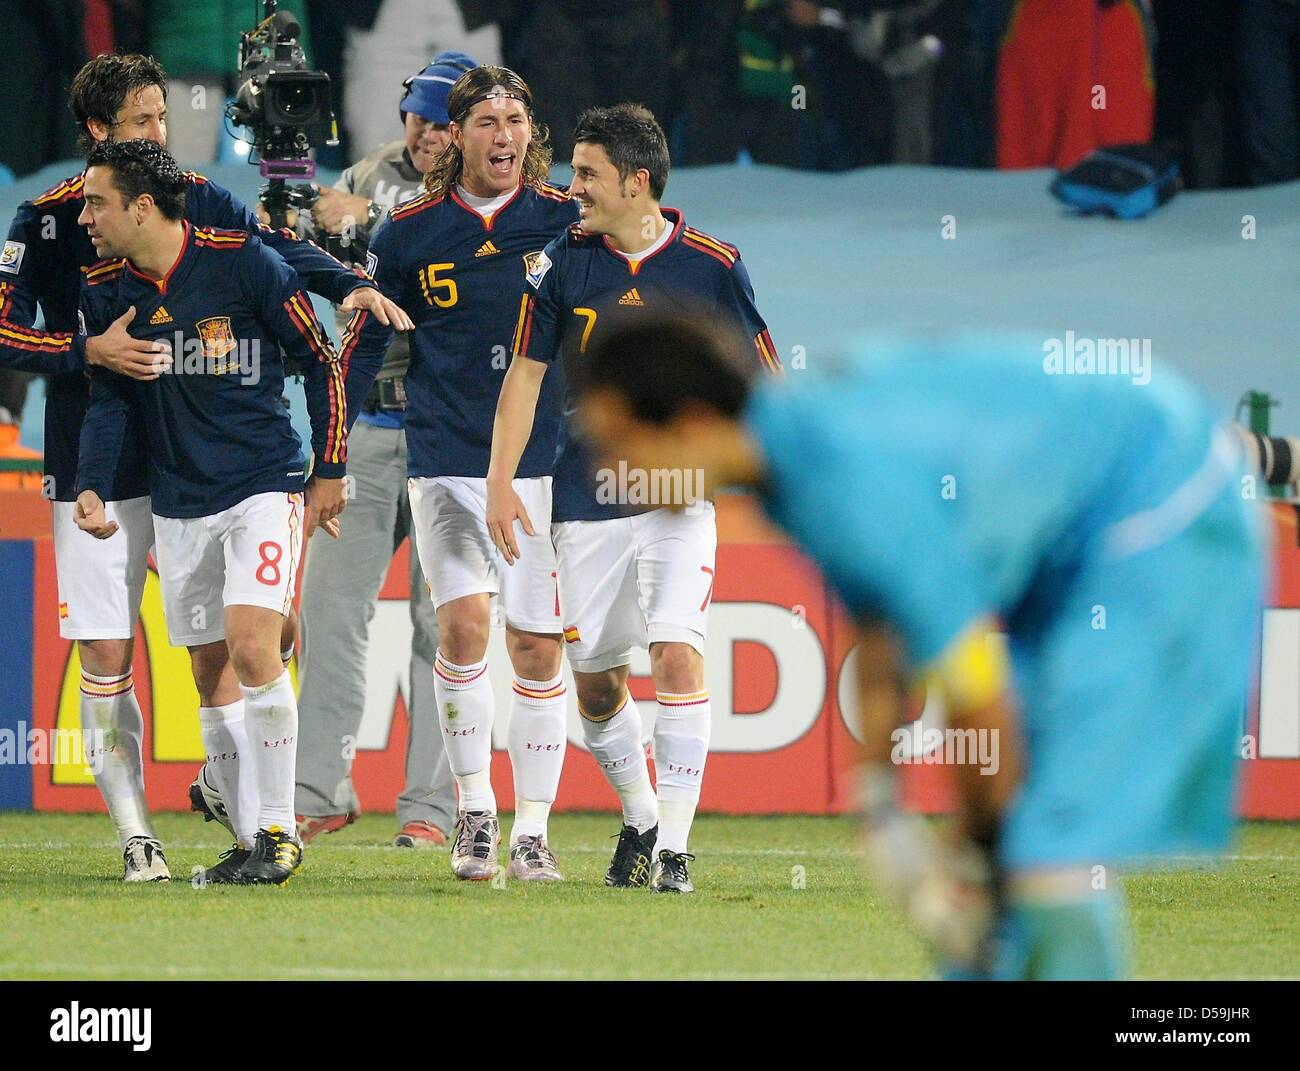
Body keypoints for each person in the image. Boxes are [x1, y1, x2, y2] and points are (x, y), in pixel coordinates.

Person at [575, 315, 1265, 977]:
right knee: (1000, 861)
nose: (608, 469)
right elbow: (881, 627)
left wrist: (977, 847)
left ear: (693, 423)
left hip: (1162, 502)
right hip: (1083, 531)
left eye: (618, 441)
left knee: (1043, 849)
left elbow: (973, 684)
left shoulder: (845, 474)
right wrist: (877, 804)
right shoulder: (790, 459)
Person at [0, 53, 407, 882]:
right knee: (109, 651)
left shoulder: (193, 199)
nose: (160, 133)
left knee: (231, 646)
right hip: (99, 458)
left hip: (200, 455)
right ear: (95, 132)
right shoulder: (46, 222)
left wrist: (346, 285)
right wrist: (86, 348)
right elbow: (3, 333)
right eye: (141, 121)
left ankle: (252, 808)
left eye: (162, 116)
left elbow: (268, 254)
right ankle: (136, 834)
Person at [486, 104, 780, 893]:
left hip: (680, 500)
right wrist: (501, 481)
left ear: (637, 181)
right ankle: (642, 815)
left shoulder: (713, 266)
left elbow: (764, 377)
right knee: (597, 681)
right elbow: (524, 375)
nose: (570, 186)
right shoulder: (559, 264)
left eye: (586, 173)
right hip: (586, 503)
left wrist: (773, 470)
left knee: (678, 651)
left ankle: (676, 851)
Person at [73, 139, 375, 886]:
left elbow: (319, 357)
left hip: (261, 486)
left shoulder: (243, 261)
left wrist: (328, 467)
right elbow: (110, 398)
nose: (85, 216)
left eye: (96, 202)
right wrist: (89, 482)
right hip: (179, 503)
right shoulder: (109, 288)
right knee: (212, 673)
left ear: (142, 207)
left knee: (251, 644)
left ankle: (279, 829)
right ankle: (248, 838)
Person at [351, 65, 580, 881]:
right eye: (486, 120)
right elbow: (369, 340)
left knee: (538, 646)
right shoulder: (409, 232)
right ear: (455, 136)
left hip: (542, 461)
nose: (504, 135)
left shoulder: (565, 222)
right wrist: (335, 448)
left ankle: (535, 831)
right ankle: (476, 814)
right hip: (446, 456)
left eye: (516, 119)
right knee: (461, 630)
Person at [291, 51, 479, 849]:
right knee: (330, 607)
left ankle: (432, 810)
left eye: (442, 122)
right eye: (418, 119)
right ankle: (316, 788)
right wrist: (315, 225)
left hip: (452, 432)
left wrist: (365, 228)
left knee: (447, 627)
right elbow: (311, 261)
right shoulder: (366, 175)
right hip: (369, 421)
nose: (427, 134)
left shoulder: (495, 202)